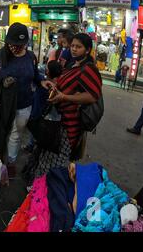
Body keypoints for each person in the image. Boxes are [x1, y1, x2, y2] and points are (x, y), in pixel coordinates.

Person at [33, 33, 103, 179]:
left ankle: (47, 192)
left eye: (78, 47)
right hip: (59, 120)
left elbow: (92, 96)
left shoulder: (88, 69)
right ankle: (40, 189)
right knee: (48, 156)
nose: (74, 49)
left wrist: (64, 96)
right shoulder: (74, 65)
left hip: (69, 125)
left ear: (87, 50)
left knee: (56, 161)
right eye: (72, 46)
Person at [0, 23, 46, 178]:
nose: (17, 47)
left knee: (16, 135)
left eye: (21, 44)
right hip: (2, 104)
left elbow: (34, 74)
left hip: (24, 104)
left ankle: (11, 163)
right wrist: (2, 80)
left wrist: (41, 81)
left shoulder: (30, 56)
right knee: (0, 133)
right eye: (14, 44)